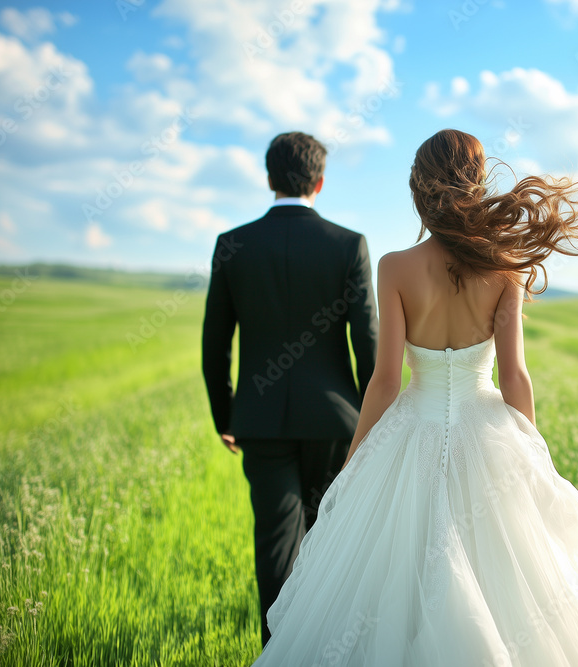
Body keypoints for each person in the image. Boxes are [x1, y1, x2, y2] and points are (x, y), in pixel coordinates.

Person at [251, 128, 578, 665]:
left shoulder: (395, 267)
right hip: (490, 430)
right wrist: (532, 452)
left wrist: (355, 461)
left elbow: (385, 379)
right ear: (477, 186)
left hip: (413, 428)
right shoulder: (506, 268)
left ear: (417, 191)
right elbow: (516, 374)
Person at [201, 131, 378, 648]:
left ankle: (278, 654)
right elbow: (366, 339)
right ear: (320, 182)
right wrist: (376, 416)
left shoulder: (232, 244)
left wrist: (225, 416)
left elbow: (216, 343)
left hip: (260, 422)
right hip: (336, 423)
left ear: (269, 178)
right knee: (330, 547)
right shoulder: (349, 244)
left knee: (275, 550)